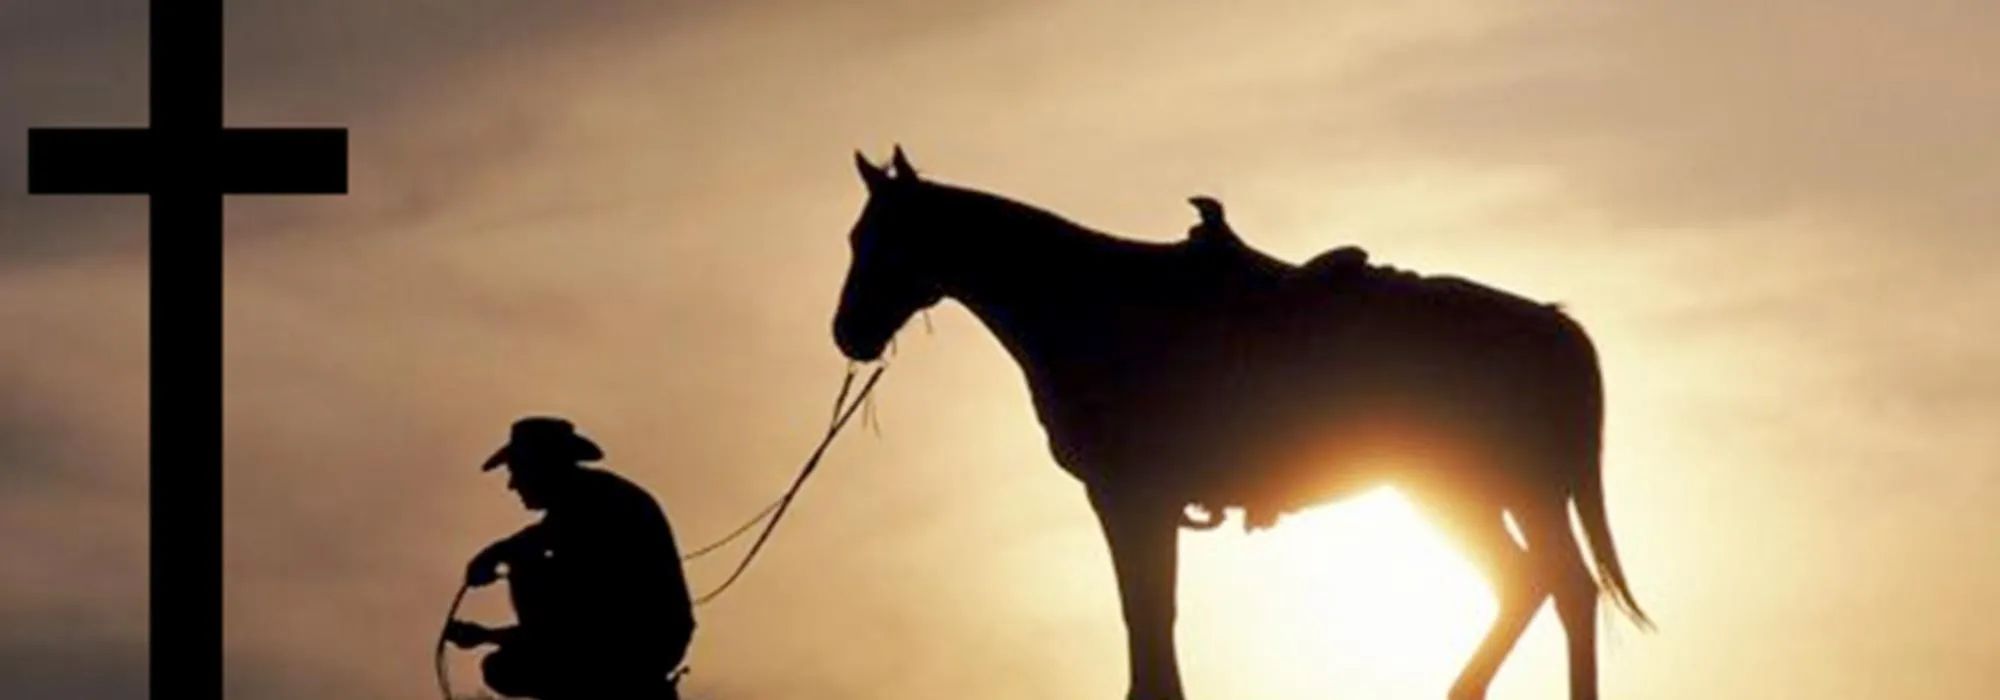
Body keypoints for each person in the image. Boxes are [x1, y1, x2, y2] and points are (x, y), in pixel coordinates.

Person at [445, 416, 696, 700]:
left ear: (541, 466)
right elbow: (582, 622)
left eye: (517, 471)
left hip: (640, 643)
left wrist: (497, 555)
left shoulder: (596, 502)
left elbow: (586, 625)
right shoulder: (595, 499)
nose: (512, 484)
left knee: (506, 665)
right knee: (505, 665)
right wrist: (488, 635)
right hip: (639, 640)